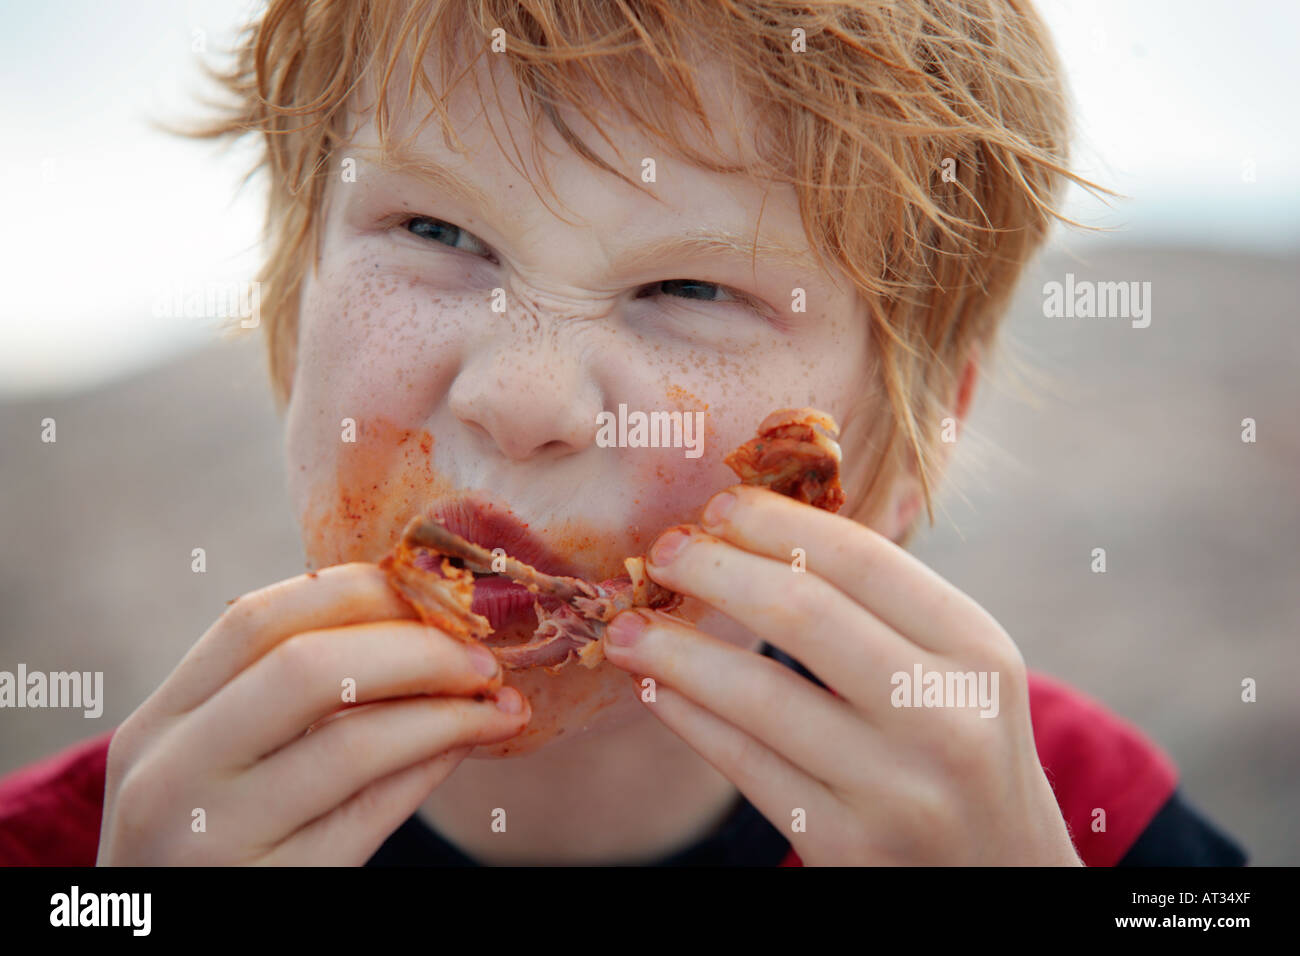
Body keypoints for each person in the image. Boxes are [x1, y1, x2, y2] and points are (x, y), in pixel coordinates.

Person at [0, 0, 1245, 866]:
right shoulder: (97, 858)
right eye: (437, 233)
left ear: (897, 453)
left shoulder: (1068, 826)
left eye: (692, 291)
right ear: (291, 307)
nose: (521, 397)